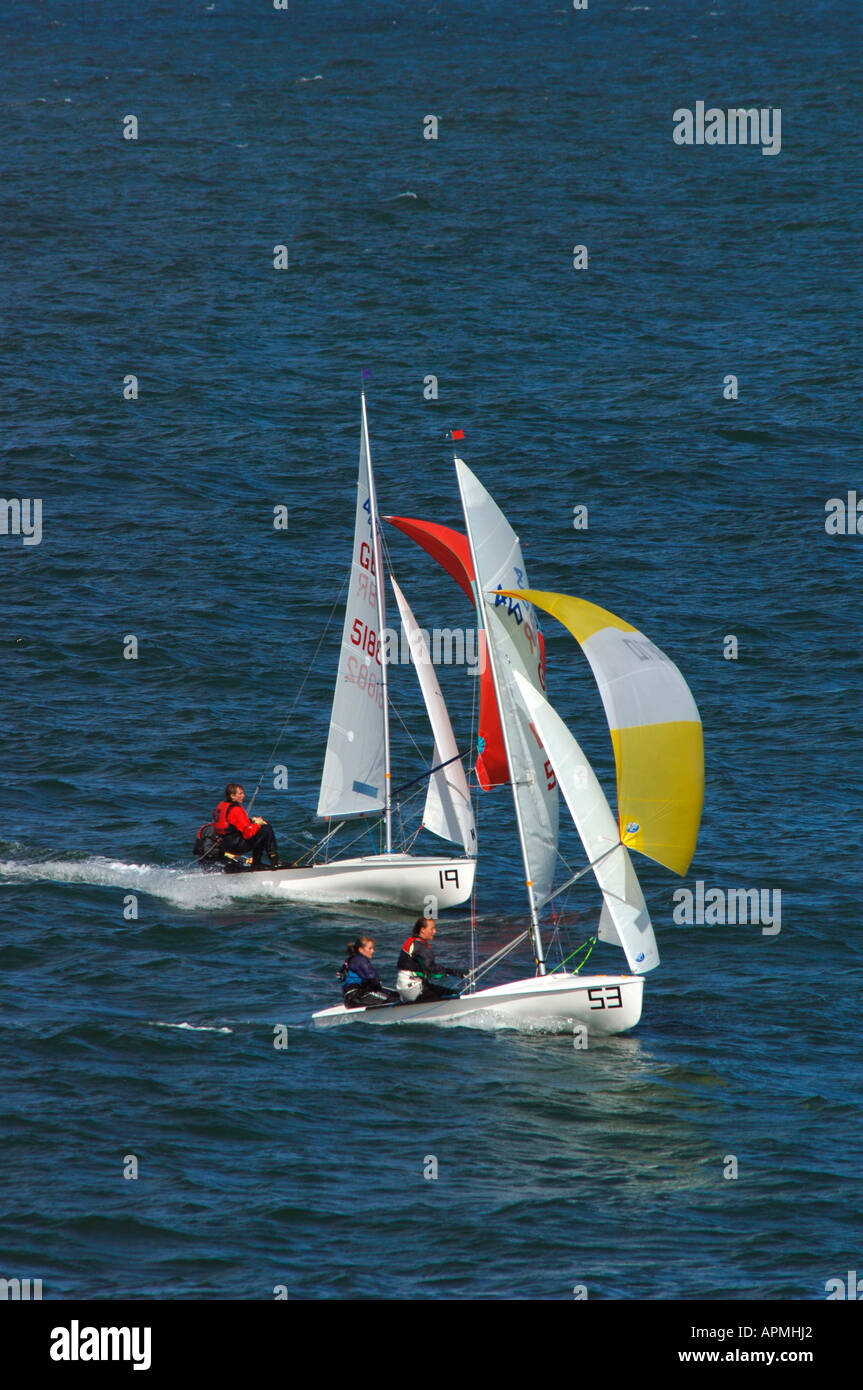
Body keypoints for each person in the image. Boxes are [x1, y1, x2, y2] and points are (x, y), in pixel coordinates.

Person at [213, 783, 282, 869]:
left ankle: (257, 863)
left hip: (224, 845)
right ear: (232, 796)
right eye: (240, 794)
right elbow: (248, 833)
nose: (243, 796)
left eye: (243, 793)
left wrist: (252, 820)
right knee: (266, 829)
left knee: (260, 830)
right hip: (235, 846)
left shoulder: (222, 805)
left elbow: (232, 824)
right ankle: (273, 862)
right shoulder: (236, 809)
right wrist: (258, 824)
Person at [396, 917, 464, 1003]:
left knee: (435, 989)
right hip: (414, 989)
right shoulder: (421, 947)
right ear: (423, 929)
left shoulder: (410, 942)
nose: (434, 931)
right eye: (432, 929)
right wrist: (451, 972)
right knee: (453, 994)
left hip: (402, 988)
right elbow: (432, 971)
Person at [338, 936, 399, 1009]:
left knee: (393, 994)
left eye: (373, 948)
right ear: (361, 950)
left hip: (350, 998)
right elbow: (372, 978)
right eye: (370, 948)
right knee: (394, 998)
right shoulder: (360, 960)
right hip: (357, 997)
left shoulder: (354, 959)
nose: (372, 951)